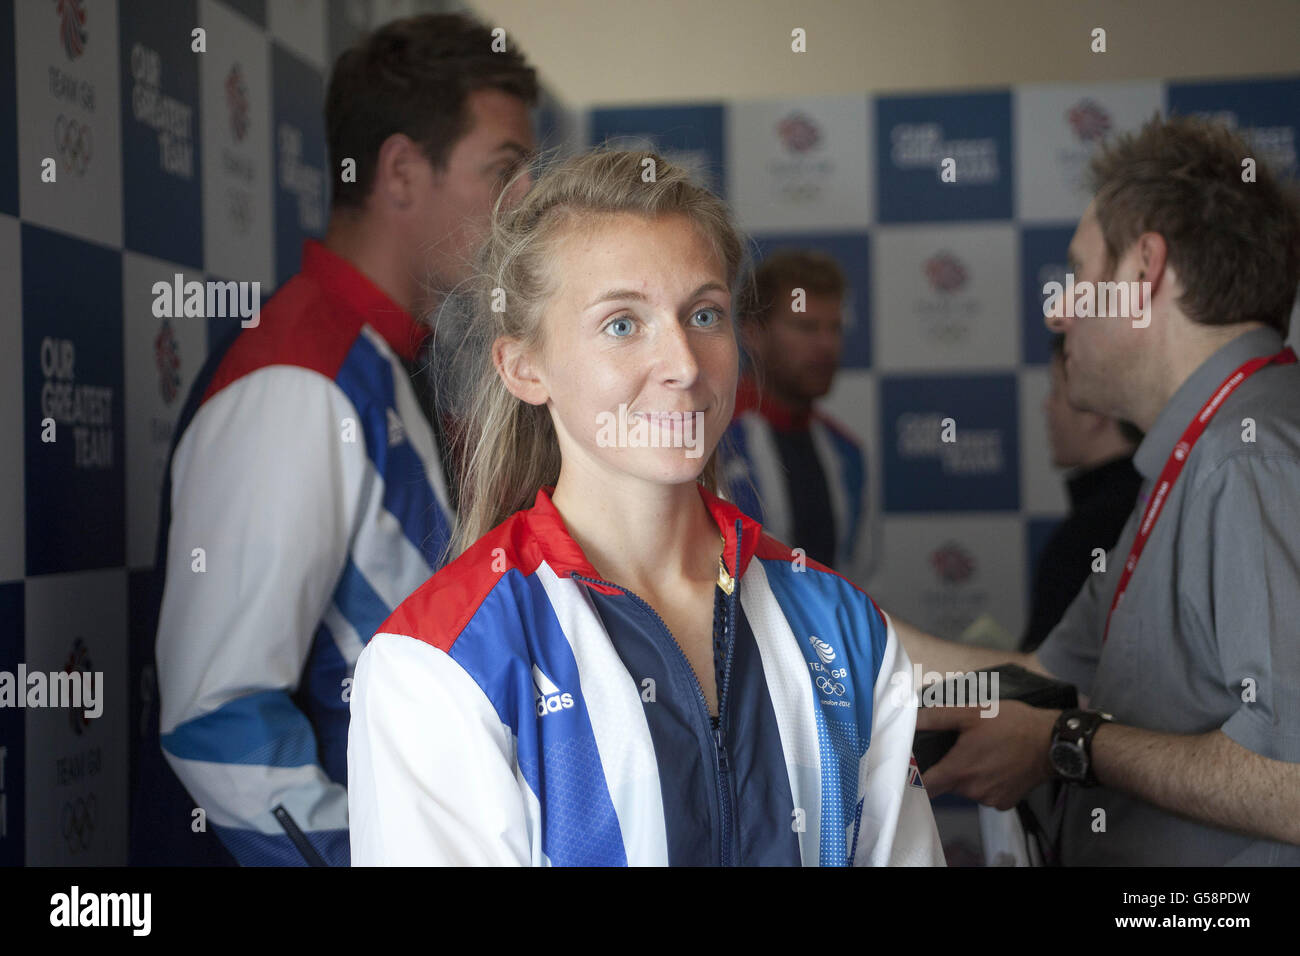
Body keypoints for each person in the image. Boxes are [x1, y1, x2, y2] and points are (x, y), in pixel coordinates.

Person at [346, 149, 945, 866]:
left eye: (704, 313)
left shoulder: (846, 628)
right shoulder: (438, 664)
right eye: (623, 324)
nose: (686, 364)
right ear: (523, 368)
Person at [138, 13, 539, 865]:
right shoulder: (301, 378)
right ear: (400, 171)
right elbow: (219, 719)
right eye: (504, 172)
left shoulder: (401, 360)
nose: (525, 206)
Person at [898, 115, 1300, 865]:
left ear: (1144, 268)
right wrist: (803, 609)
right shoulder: (1195, 456)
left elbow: (1293, 781)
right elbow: (1045, 679)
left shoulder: (1252, 459)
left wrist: (1068, 744)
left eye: (1080, 276)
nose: (1060, 309)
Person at [722, 250, 876, 585]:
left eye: (834, 328)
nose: (826, 345)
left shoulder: (847, 452)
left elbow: (857, 581)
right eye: (806, 327)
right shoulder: (708, 444)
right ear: (753, 334)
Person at [1022, 334, 1142, 652]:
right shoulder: (1155, 499)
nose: (1046, 407)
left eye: (1057, 392)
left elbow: (1046, 687)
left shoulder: (1088, 535)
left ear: (1094, 410)